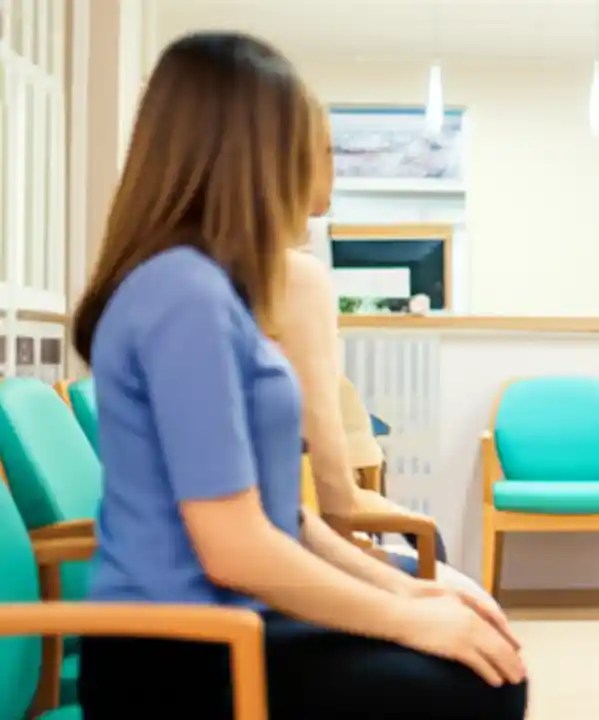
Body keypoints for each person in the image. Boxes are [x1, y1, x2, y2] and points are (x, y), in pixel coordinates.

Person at [71, 32, 527, 719]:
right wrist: (404, 618)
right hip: (179, 652)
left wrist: (408, 593)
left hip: (228, 624)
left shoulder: (206, 291)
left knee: (481, 664)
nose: (325, 179)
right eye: (310, 150)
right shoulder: (182, 295)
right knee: (474, 685)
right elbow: (234, 549)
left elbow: (282, 520)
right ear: (256, 158)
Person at [281, 96, 478, 597]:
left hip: (265, 551)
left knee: (442, 577)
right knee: (457, 598)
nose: (335, 168)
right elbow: (332, 504)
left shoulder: (172, 280)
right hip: (246, 585)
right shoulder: (290, 280)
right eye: (328, 151)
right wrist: (406, 602)